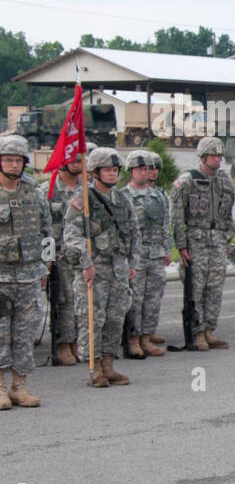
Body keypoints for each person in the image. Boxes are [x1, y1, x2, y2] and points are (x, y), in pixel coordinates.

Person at [64, 147, 141, 388]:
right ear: (95, 172)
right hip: (94, 269)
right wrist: (85, 262)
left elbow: (134, 233)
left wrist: (132, 262)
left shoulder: (122, 200)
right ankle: (94, 366)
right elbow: (71, 235)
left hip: (118, 268)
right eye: (107, 170)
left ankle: (109, 364)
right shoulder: (82, 200)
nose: (112, 174)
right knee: (92, 320)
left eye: (115, 170)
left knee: (115, 319)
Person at [171, 136, 235, 351]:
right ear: (203, 157)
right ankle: (197, 331)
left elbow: (228, 213)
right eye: (213, 156)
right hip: (196, 241)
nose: (217, 160)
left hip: (217, 240)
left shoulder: (224, 181)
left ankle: (210, 329)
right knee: (196, 288)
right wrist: (181, 246)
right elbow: (177, 216)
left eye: (219, 156)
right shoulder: (187, 181)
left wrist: (228, 238)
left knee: (215, 287)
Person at [0, 135, 51, 407]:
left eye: (17, 160)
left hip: (29, 274)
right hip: (1, 277)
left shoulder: (33, 191)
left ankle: (19, 386)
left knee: (24, 332)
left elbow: (47, 230)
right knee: (0, 332)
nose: (12, 164)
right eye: (7, 159)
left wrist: (48, 262)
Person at [47, 141, 95, 365]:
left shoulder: (88, 189)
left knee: (82, 299)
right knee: (63, 300)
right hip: (59, 253)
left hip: (82, 254)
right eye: (73, 160)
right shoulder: (46, 190)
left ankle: (78, 341)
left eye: (81, 160)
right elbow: (43, 228)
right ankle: (63, 343)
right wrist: (46, 260)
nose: (78, 164)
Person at [122, 149, 168, 358]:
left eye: (147, 169)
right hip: (136, 256)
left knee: (153, 298)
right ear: (131, 171)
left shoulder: (158, 196)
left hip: (155, 254)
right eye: (140, 169)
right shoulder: (123, 197)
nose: (144, 173)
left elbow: (165, 223)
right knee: (135, 299)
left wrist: (166, 250)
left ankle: (147, 337)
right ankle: (133, 339)